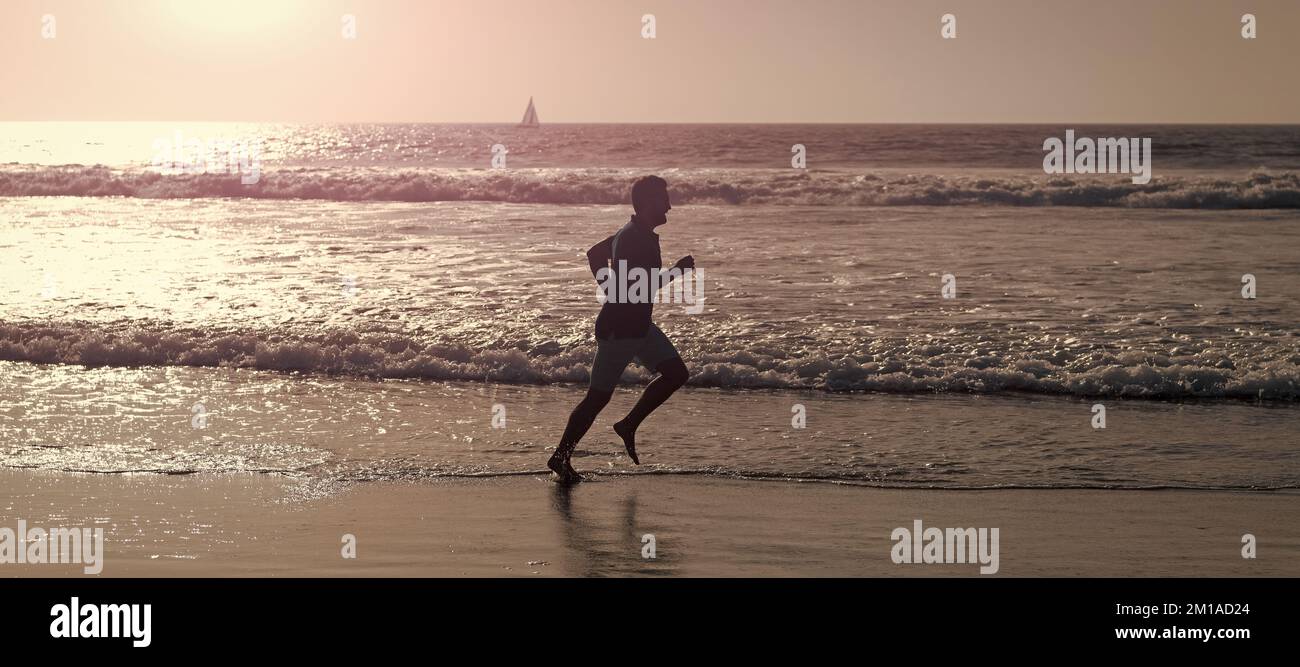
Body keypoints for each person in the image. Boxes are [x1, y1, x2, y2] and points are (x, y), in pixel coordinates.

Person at [547, 175, 693, 483]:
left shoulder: (637, 232)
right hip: (620, 331)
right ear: (648, 203)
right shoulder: (633, 239)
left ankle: (628, 424)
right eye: (663, 199)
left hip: (639, 327)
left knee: (677, 374)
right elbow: (639, 287)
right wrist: (676, 272)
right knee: (597, 398)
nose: (669, 204)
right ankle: (560, 457)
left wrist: (610, 288)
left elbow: (595, 254)